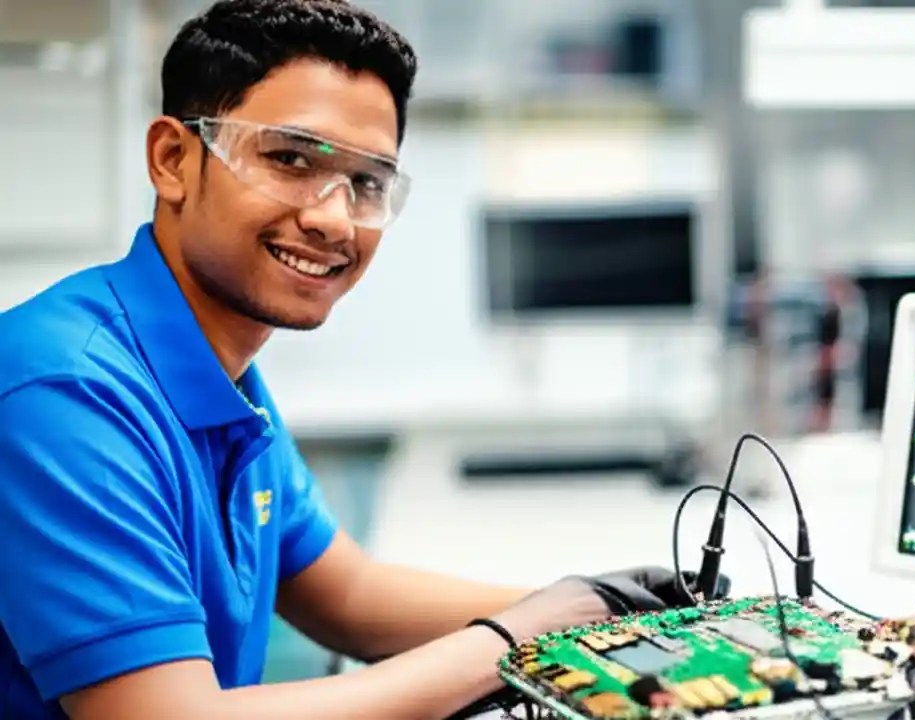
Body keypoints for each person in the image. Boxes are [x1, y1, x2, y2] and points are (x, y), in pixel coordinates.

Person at [0, 2, 722, 718]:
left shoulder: (222, 377)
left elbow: (348, 596)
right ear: (173, 160)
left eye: (368, 182)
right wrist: (520, 634)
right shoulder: (64, 393)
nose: (333, 218)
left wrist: (597, 608)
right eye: (288, 159)